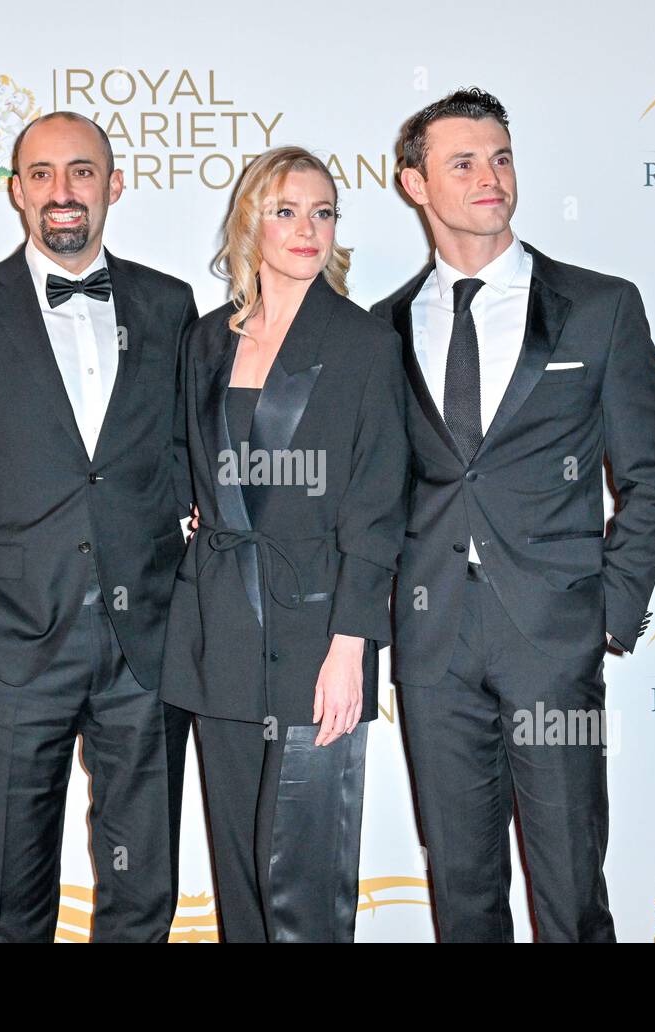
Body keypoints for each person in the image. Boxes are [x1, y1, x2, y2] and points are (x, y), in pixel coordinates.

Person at [371, 88, 655, 942]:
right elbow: (378, 498)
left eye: (501, 157)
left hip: (553, 638)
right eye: (462, 162)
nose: (489, 178)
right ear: (413, 184)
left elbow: (650, 478)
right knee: (462, 899)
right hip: (433, 650)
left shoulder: (599, 306)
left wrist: (606, 615)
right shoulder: (381, 330)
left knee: (572, 891)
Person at [0, 111, 197, 942]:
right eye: (42, 174)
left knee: (144, 893)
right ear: (16, 191)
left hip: (146, 647)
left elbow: (183, 455)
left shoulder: (170, 305)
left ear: (114, 184)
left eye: (81, 172)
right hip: (14, 642)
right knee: (9, 893)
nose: (62, 192)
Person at [161, 146, 408, 942]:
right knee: (238, 878)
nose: (306, 229)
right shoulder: (205, 341)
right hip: (219, 632)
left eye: (323, 212)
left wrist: (352, 649)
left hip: (318, 638)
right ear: (251, 222)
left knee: (305, 882)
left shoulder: (367, 343)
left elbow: (378, 506)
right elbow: (179, 463)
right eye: (286, 210)